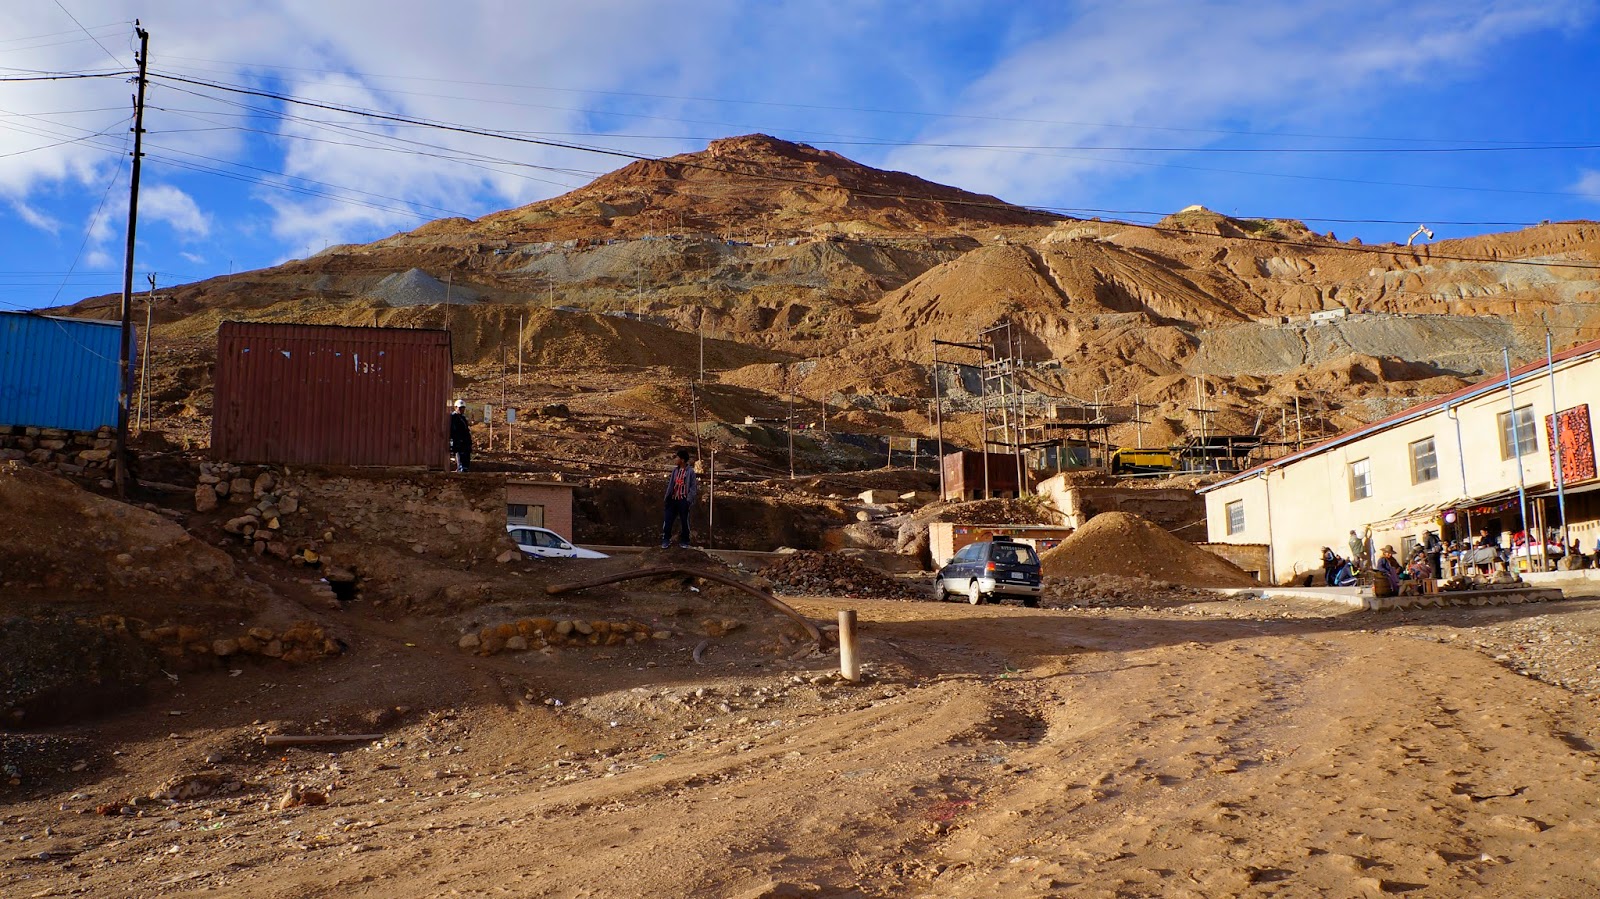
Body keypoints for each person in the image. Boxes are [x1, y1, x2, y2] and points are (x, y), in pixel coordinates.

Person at [661, 448, 698, 549]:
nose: (675, 459)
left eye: (677, 457)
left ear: (682, 460)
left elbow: (693, 488)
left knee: (684, 521)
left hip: (683, 500)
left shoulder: (690, 472)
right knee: (668, 519)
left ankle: (685, 540)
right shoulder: (675, 471)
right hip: (673, 499)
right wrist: (667, 497)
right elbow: (671, 485)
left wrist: (688, 500)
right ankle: (666, 539)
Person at [449, 399, 473, 472]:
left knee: (466, 457)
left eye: (463, 408)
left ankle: (465, 469)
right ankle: (461, 469)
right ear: (455, 407)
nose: (462, 410)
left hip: (465, 441)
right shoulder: (454, 417)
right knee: (460, 456)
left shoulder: (462, 417)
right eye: (460, 408)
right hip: (459, 441)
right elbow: (454, 430)